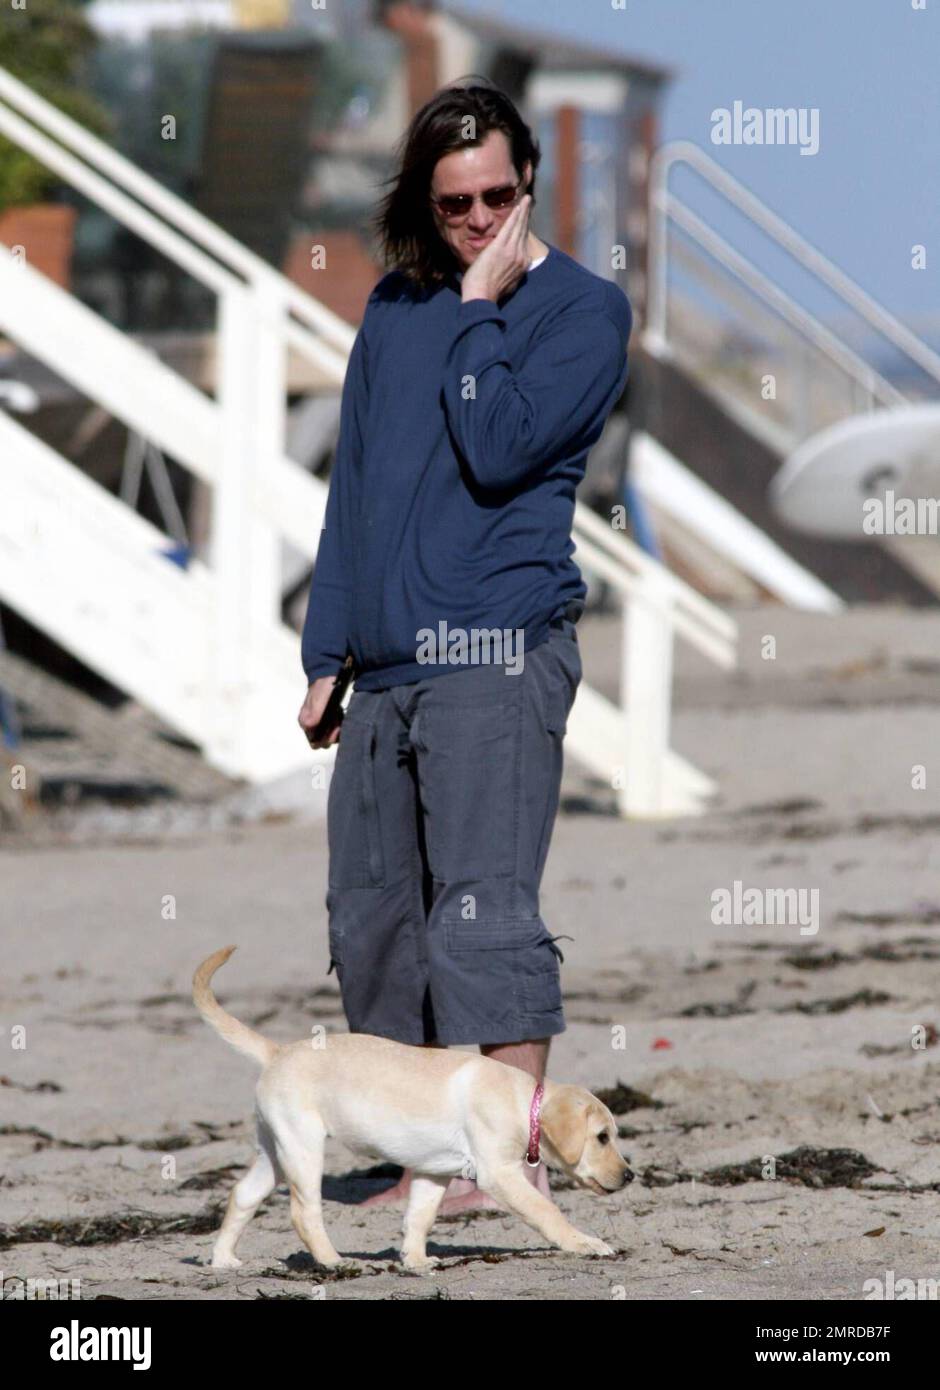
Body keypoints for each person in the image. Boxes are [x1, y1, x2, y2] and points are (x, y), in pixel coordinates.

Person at [297, 78, 632, 1215]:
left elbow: (495, 448)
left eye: (498, 195)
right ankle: (421, 1156)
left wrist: (486, 302)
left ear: (527, 183)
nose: (480, 219)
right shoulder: (392, 308)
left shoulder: (582, 314)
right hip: (383, 665)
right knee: (374, 917)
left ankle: (508, 1160)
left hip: (497, 650)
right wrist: (324, 647)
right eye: (456, 205)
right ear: (423, 201)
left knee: (481, 909)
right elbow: (356, 486)